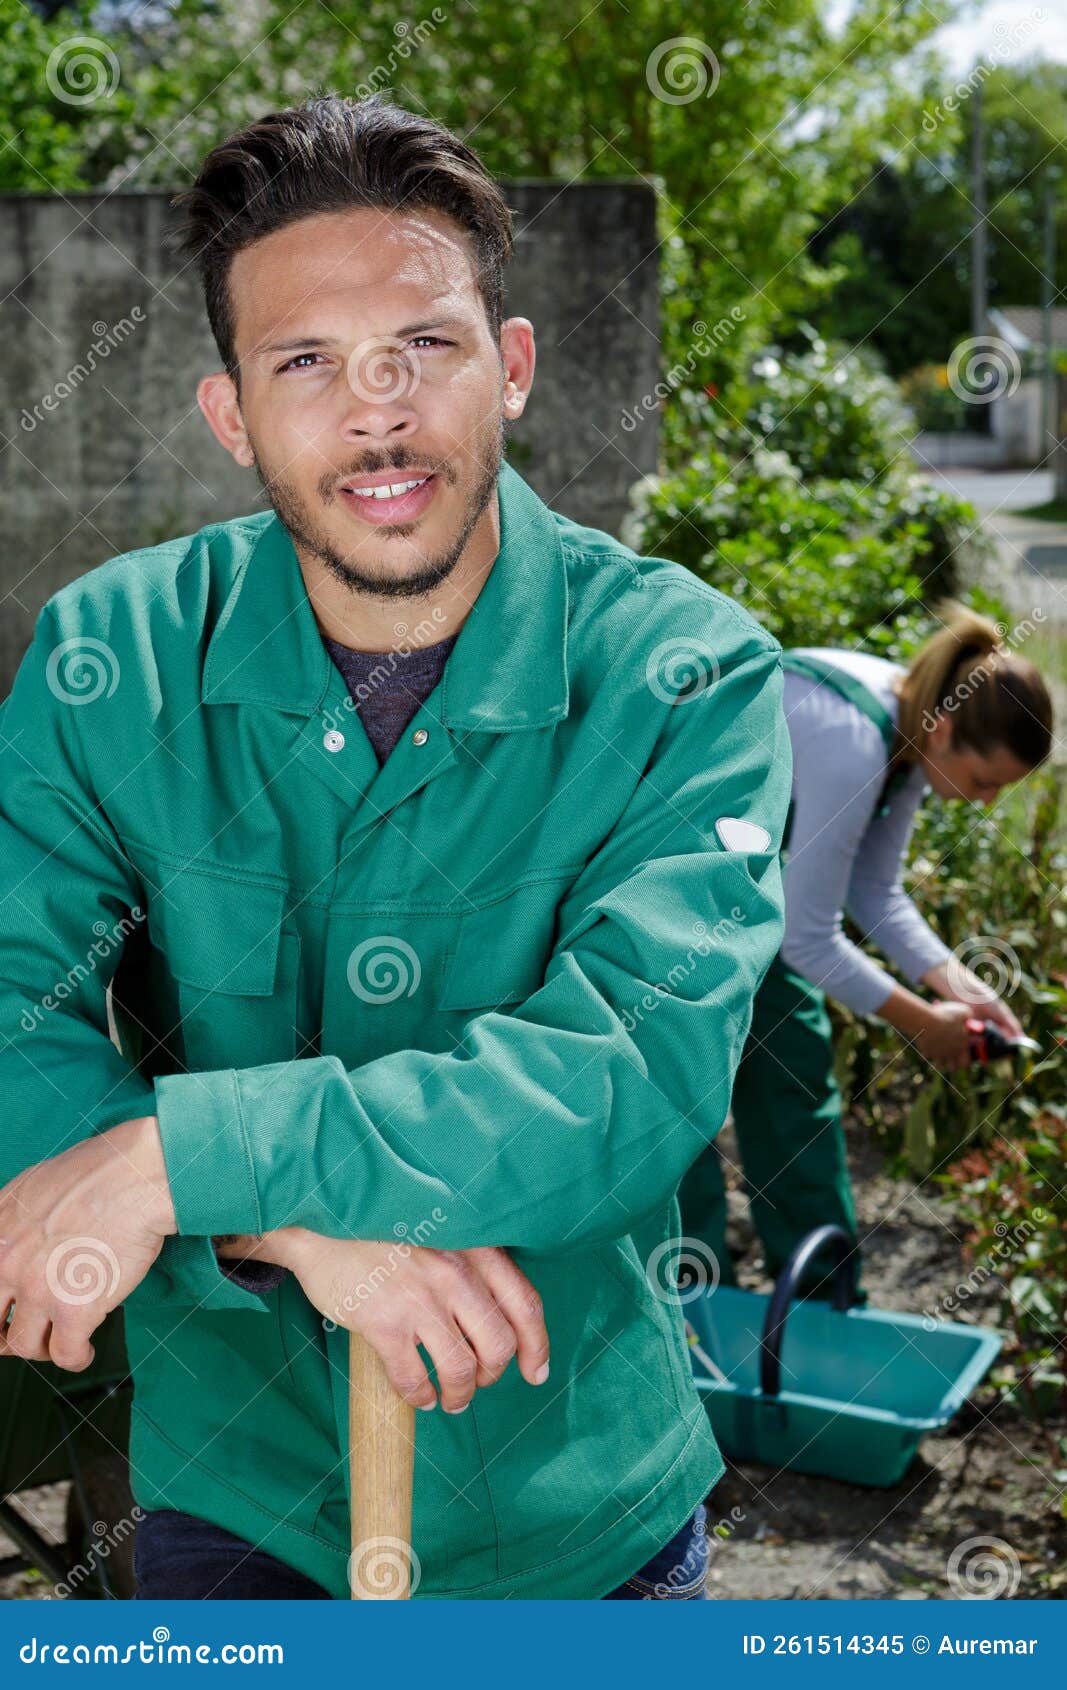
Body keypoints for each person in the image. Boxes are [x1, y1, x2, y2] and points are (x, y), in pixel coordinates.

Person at [0, 94, 792, 1600]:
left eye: (422, 347)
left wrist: (182, 1155)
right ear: (232, 413)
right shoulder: (114, 654)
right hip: (236, 1486)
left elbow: (630, 1072)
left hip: (584, 1504)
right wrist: (297, 1225)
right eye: (305, 363)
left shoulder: (685, 672)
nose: (374, 413)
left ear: (507, 367)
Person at [679, 609, 1053, 1298]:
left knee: (793, 1092)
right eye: (982, 781)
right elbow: (807, 939)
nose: (984, 801)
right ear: (944, 733)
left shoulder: (914, 731)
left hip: (745, 890)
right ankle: (694, 1327)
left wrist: (964, 991)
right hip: (669, 893)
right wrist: (919, 1022)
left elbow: (874, 894)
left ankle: (823, 1304)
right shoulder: (853, 740)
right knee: (678, 1112)